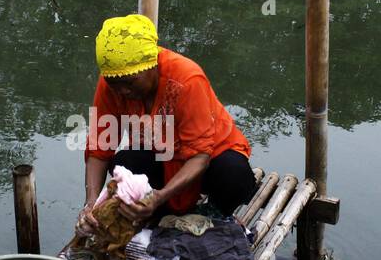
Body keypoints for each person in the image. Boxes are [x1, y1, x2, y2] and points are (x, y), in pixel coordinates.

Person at [77, 13, 255, 235]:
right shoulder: (110, 83)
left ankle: (210, 212)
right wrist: (91, 203)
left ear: (151, 65)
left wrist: (159, 196)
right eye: (115, 85)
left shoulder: (187, 79)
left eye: (130, 83)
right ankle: (159, 211)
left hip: (208, 159)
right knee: (124, 162)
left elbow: (200, 156)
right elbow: (99, 147)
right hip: (163, 154)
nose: (123, 91)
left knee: (235, 175)